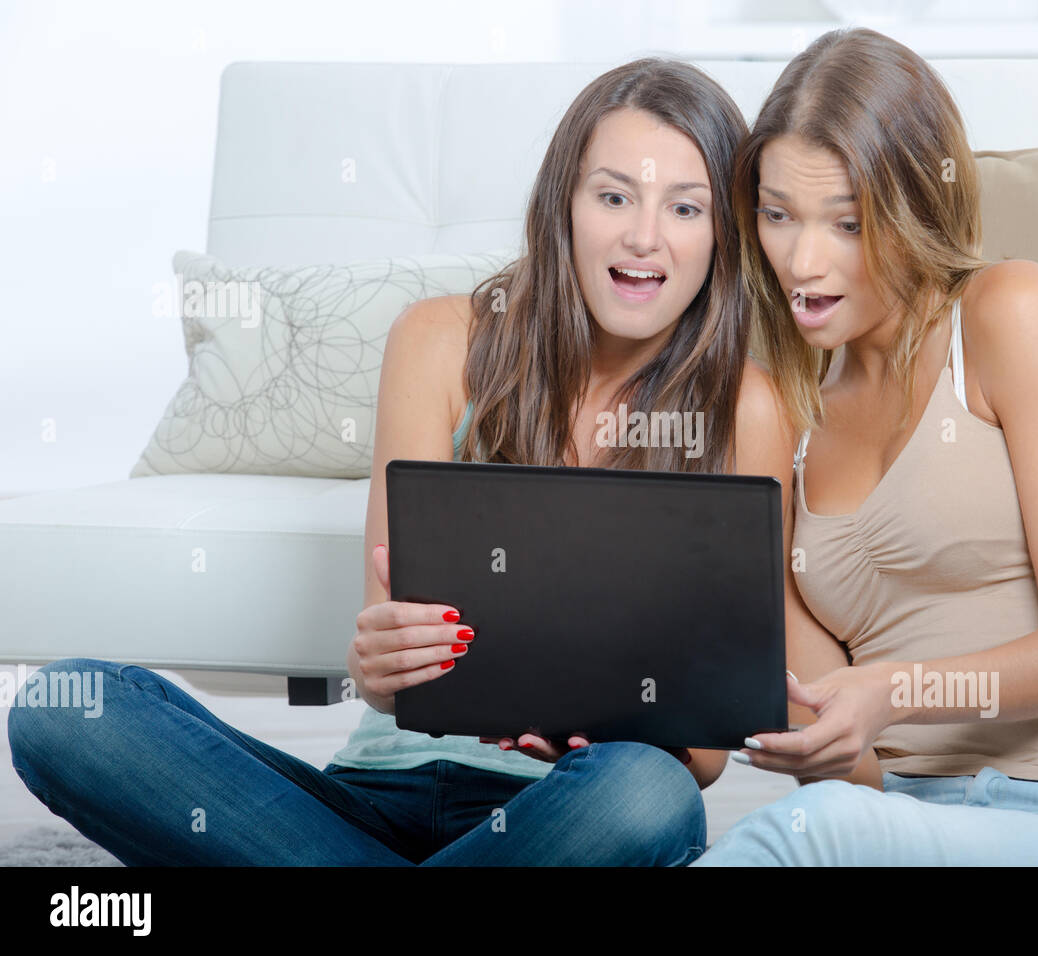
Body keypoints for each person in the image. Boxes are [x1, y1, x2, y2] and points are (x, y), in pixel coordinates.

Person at [8, 57, 800, 866]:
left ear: (720, 236)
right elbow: (389, 682)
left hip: (571, 812)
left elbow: (701, 758)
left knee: (650, 795)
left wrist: (603, 730)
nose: (643, 235)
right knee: (63, 707)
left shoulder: (749, 411)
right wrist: (379, 662)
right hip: (369, 802)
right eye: (613, 196)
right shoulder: (439, 341)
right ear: (564, 207)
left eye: (685, 207)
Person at [693, 27, 1038, 866]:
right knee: (810, 827)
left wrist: (891, 692)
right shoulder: (781, 411)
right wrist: (825, 740)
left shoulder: (1007, 313)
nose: (801, 260)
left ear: (914, 207)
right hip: (898, 820)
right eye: (777, 216)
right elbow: (841, 757)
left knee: (807, 835)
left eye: (846, 222)